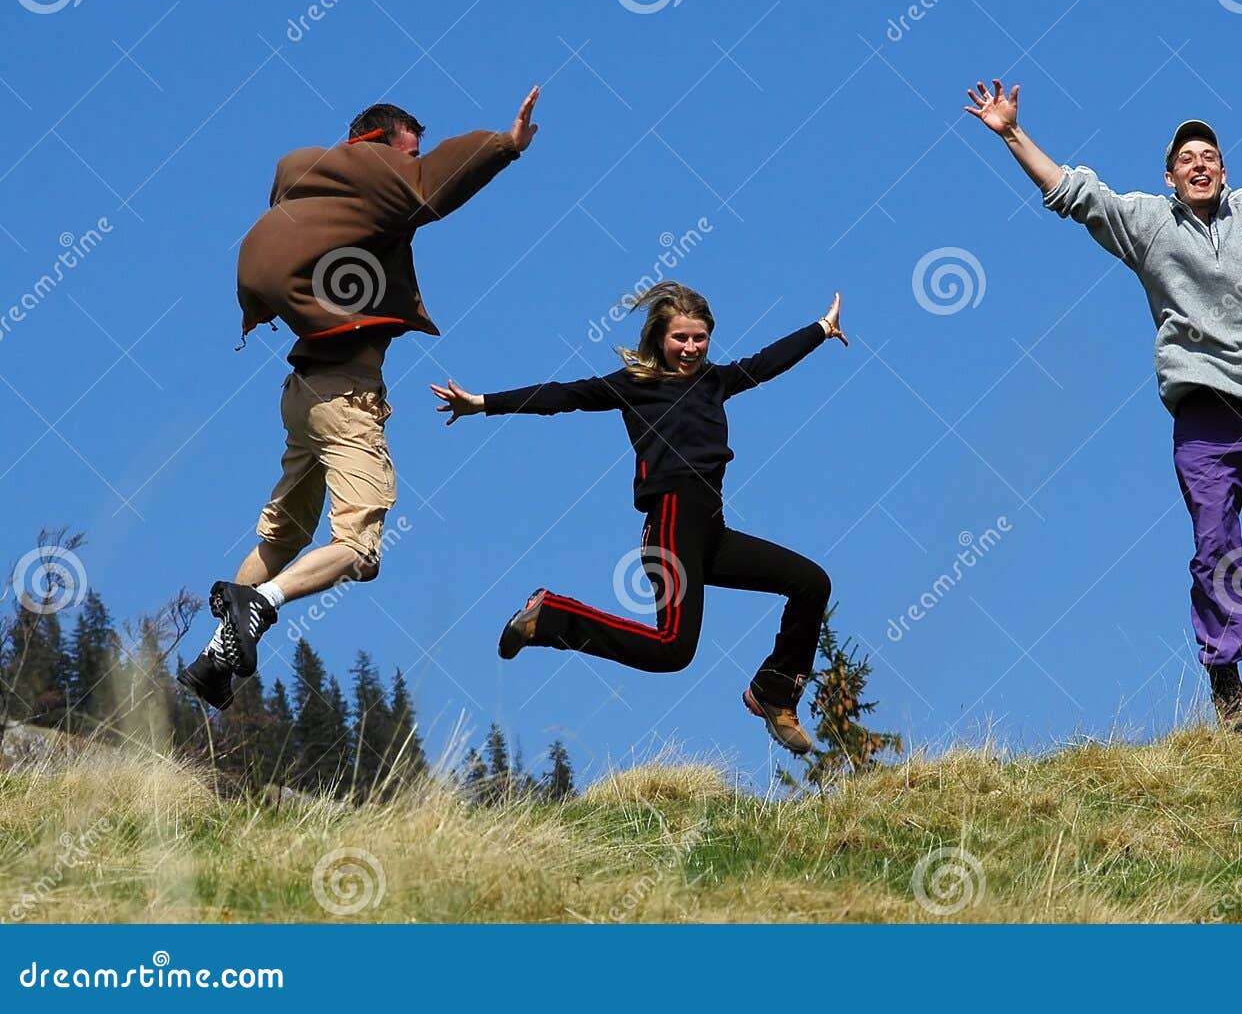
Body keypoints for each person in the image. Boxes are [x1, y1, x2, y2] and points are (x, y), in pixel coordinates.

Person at [965, 77, 1242, 735]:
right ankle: (1226, 680)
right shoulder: (1149, 226)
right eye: (1187, 159)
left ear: (1224, 171)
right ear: (1169, 177)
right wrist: (1012, 133)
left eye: (1210, 157)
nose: (1200, 164)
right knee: (1216, 552)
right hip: (1204, 423)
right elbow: (1073, 194)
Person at [178, 86, 542, 710]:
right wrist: (504, 146)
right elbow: (433, 184)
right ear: (378, 143)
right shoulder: (371, 175)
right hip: (345, 399)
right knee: (358, 550)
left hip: (302, 397)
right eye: (408, 151)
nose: (410, 163)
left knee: (283, 536)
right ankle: (259, 604)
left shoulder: (321, 192)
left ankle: (216, 658)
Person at [430, 282, 847, 754]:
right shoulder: (636, 384)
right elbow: (564, 396)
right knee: (673, 649)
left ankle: (774, 691)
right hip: (670, 522)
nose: (690, 348)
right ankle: (551, 617)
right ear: (660, 338)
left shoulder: (716, 381)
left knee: (811, 583)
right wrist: (482, 403)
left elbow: (766, 363)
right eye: (680, 338)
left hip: (711, 532)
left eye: (700, 338)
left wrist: (821, 329)